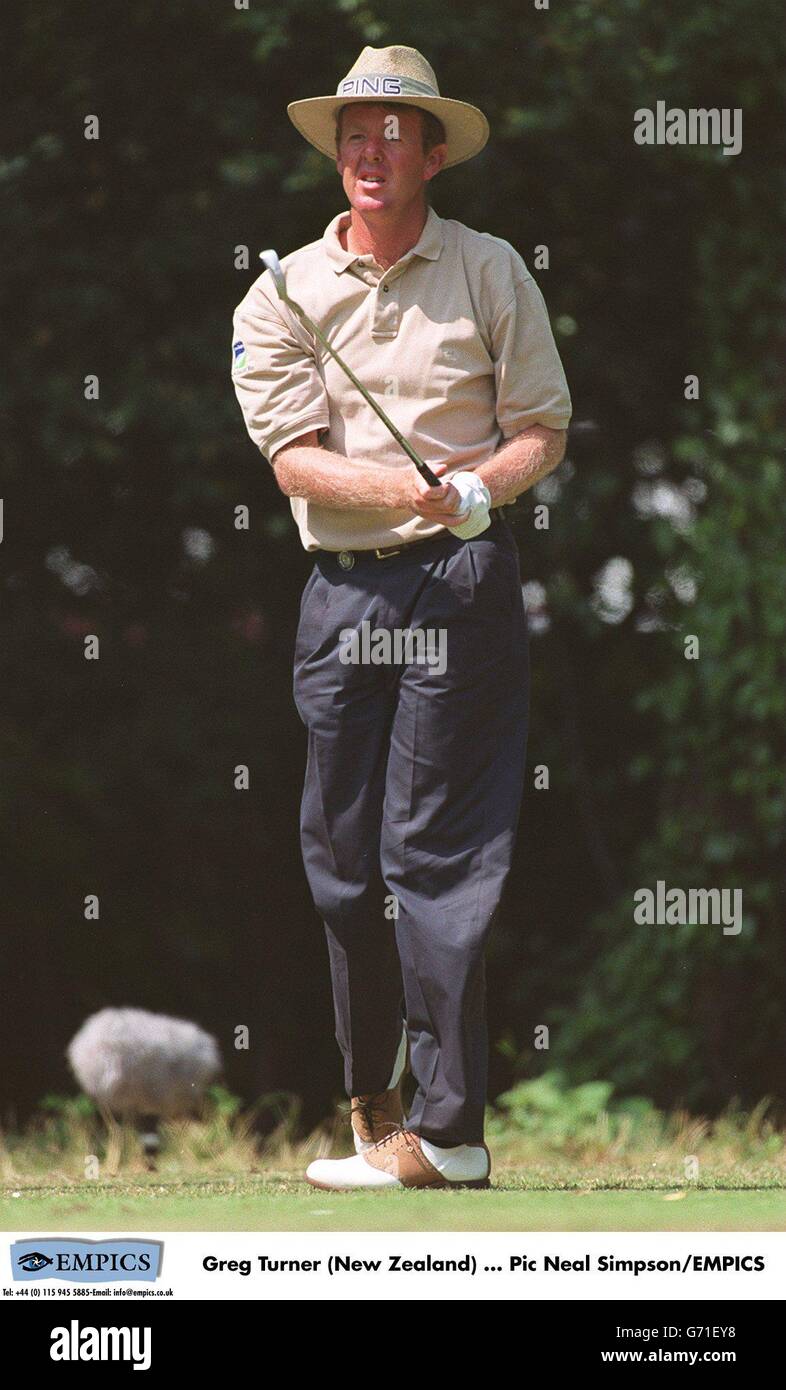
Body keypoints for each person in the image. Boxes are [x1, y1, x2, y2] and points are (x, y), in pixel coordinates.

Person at [231, 44, 572, 1190]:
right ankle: (376, 1109)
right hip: (342, 592)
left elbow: (541, 428)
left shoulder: (489, 271)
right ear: (338, 153)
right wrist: (405, 488)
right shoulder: (280, 292)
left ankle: (451, 1130)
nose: (371, 150)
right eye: (353, 133)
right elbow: (294, 462)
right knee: (339, 857)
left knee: (432, 848)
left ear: (434, 152)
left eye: (394, 131)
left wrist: (481, 487)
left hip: (458, 580)